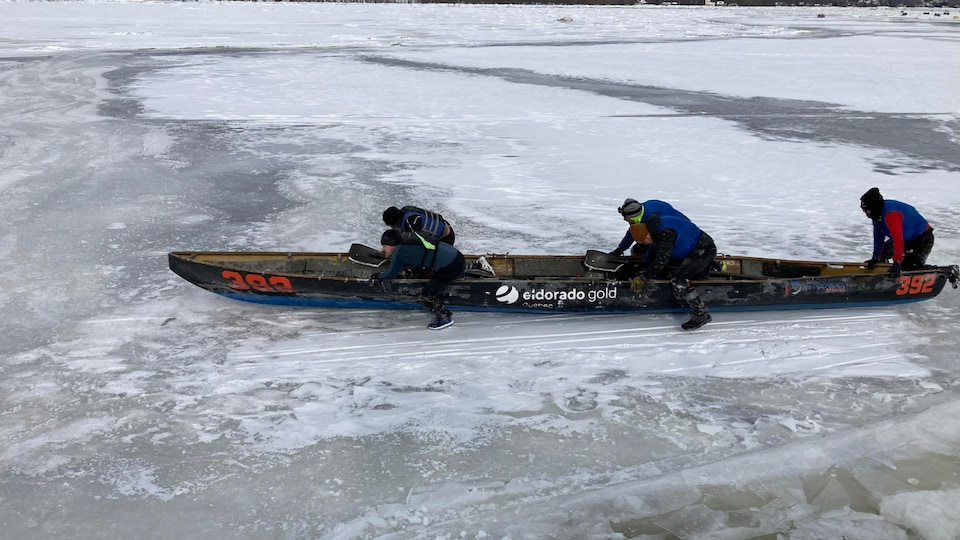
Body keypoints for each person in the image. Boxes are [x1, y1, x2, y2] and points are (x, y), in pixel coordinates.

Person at [637, 211, 717, 331]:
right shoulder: (653, 227)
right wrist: (642, 266)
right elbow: (653, 252)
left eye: (644, 240)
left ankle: (701, 314)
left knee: (679, 281)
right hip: (689, 249)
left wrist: (644, 277)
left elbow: (662, 260)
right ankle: (705, 268)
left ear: (648, 234)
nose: (645, 243)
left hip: (703, 251)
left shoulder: (666, 234)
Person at [374, 229, 465, 330]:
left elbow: (390, 274)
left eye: (384, 246)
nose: (383, 249)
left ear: (392, 245)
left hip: (452, 266)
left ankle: (444, 317)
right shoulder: (407, 241)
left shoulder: (399, 253)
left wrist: (377, 276)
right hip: (457, 256)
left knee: (425, 295)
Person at [859, 187, 934, 278]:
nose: (865, 212)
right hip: (906, 239)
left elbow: (897, 239)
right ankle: (882, 275)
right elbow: (878, 238)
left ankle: (937, 272)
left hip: (922, 238)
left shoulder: (890, 214)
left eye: (866, 209)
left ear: (873, 207)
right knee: (884, 251)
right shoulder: (876, 214)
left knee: (909, 268)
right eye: (863, 209)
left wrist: (897, 263)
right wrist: (876, 257)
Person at [610, 199, 689, 258]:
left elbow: (654, 243)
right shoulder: (638, 210)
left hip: (682, 233)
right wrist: (620, 249)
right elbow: (633, 230)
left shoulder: (652, 219)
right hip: (669, 227)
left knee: (649, 251)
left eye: (626, 217)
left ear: (634, 217)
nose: (624, 219)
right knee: (638, 249)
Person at [382, 205, 456, 247]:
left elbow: (418, 245)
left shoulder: (411, 224)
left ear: (394, 223)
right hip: (445, 225)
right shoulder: (405, 211)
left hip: (445, 238)